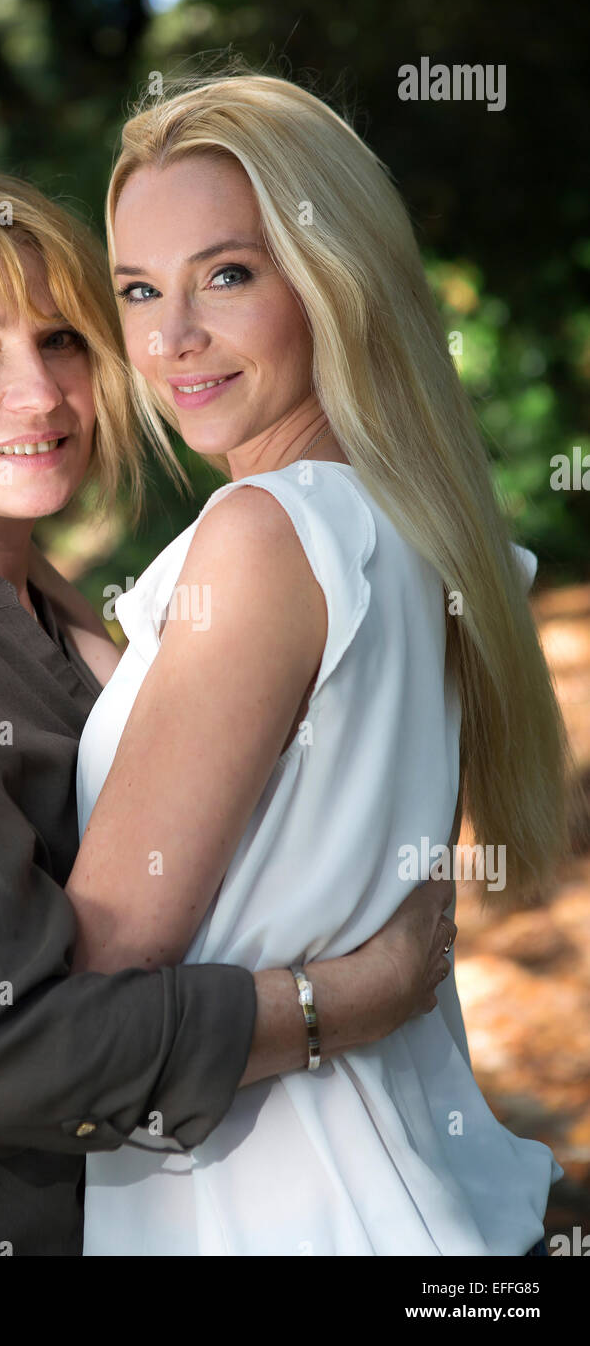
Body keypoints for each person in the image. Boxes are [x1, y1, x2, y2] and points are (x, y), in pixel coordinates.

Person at [0, 167, 452, 1257]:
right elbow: (3, 1057)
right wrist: (335, 1003)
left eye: (61, 338)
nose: (41, 392)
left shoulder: (74, 620)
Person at [56, 72, 572, 1255]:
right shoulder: (410, 525)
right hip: (388, 1189)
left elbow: (93, 982)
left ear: (330, 276)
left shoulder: (263, 537)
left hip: (277, 1209)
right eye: (139, 289)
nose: (170, 336)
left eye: (225, 274)